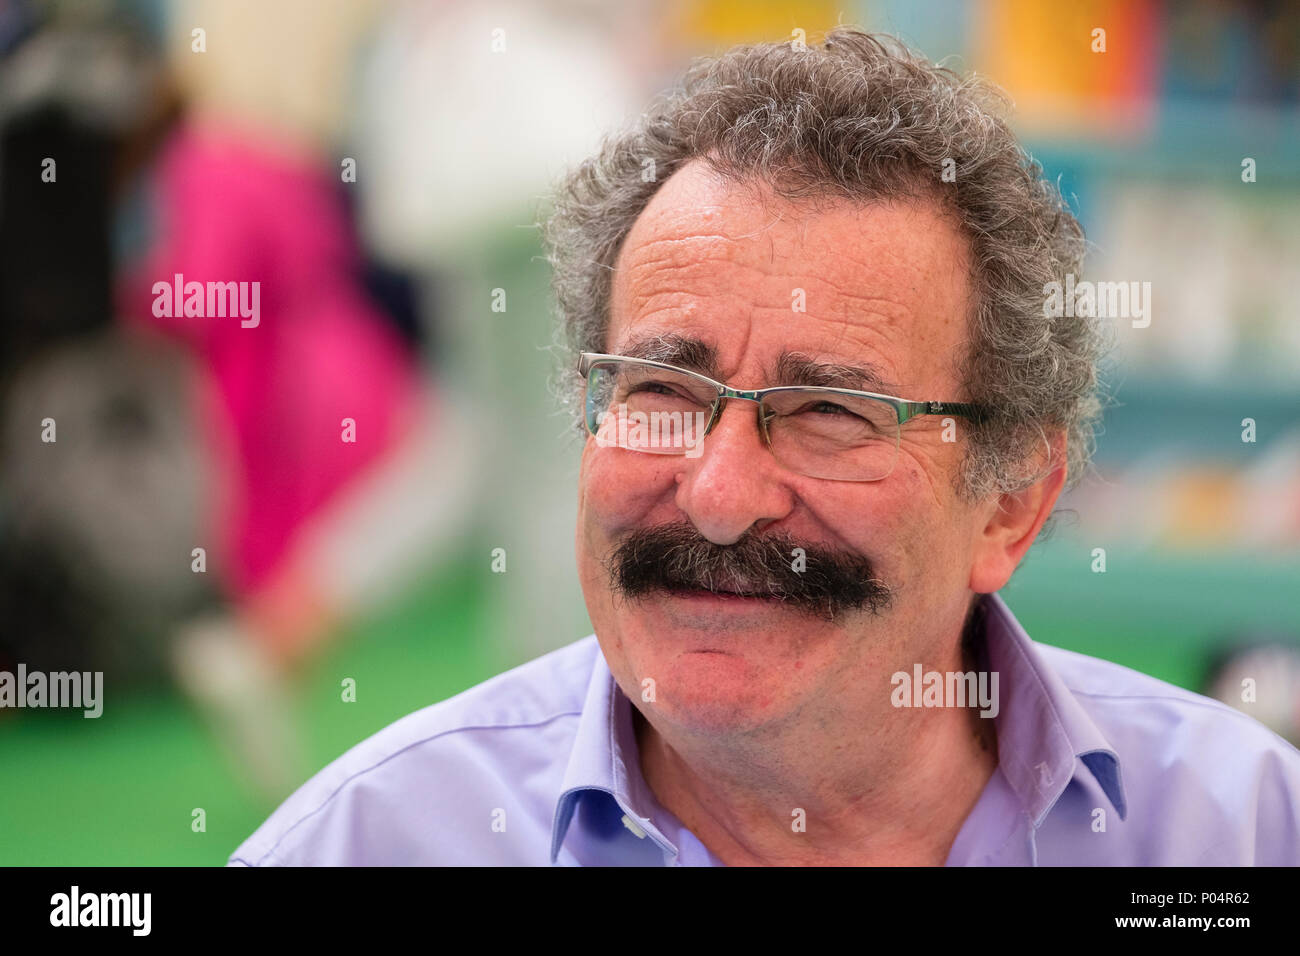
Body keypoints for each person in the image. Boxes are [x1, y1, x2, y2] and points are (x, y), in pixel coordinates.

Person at [229, 27, 1300, 866]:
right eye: (660, 390)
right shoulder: (376, 842)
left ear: (1011, 502)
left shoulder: (1230, 827)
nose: (718, 493)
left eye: (829, 411)